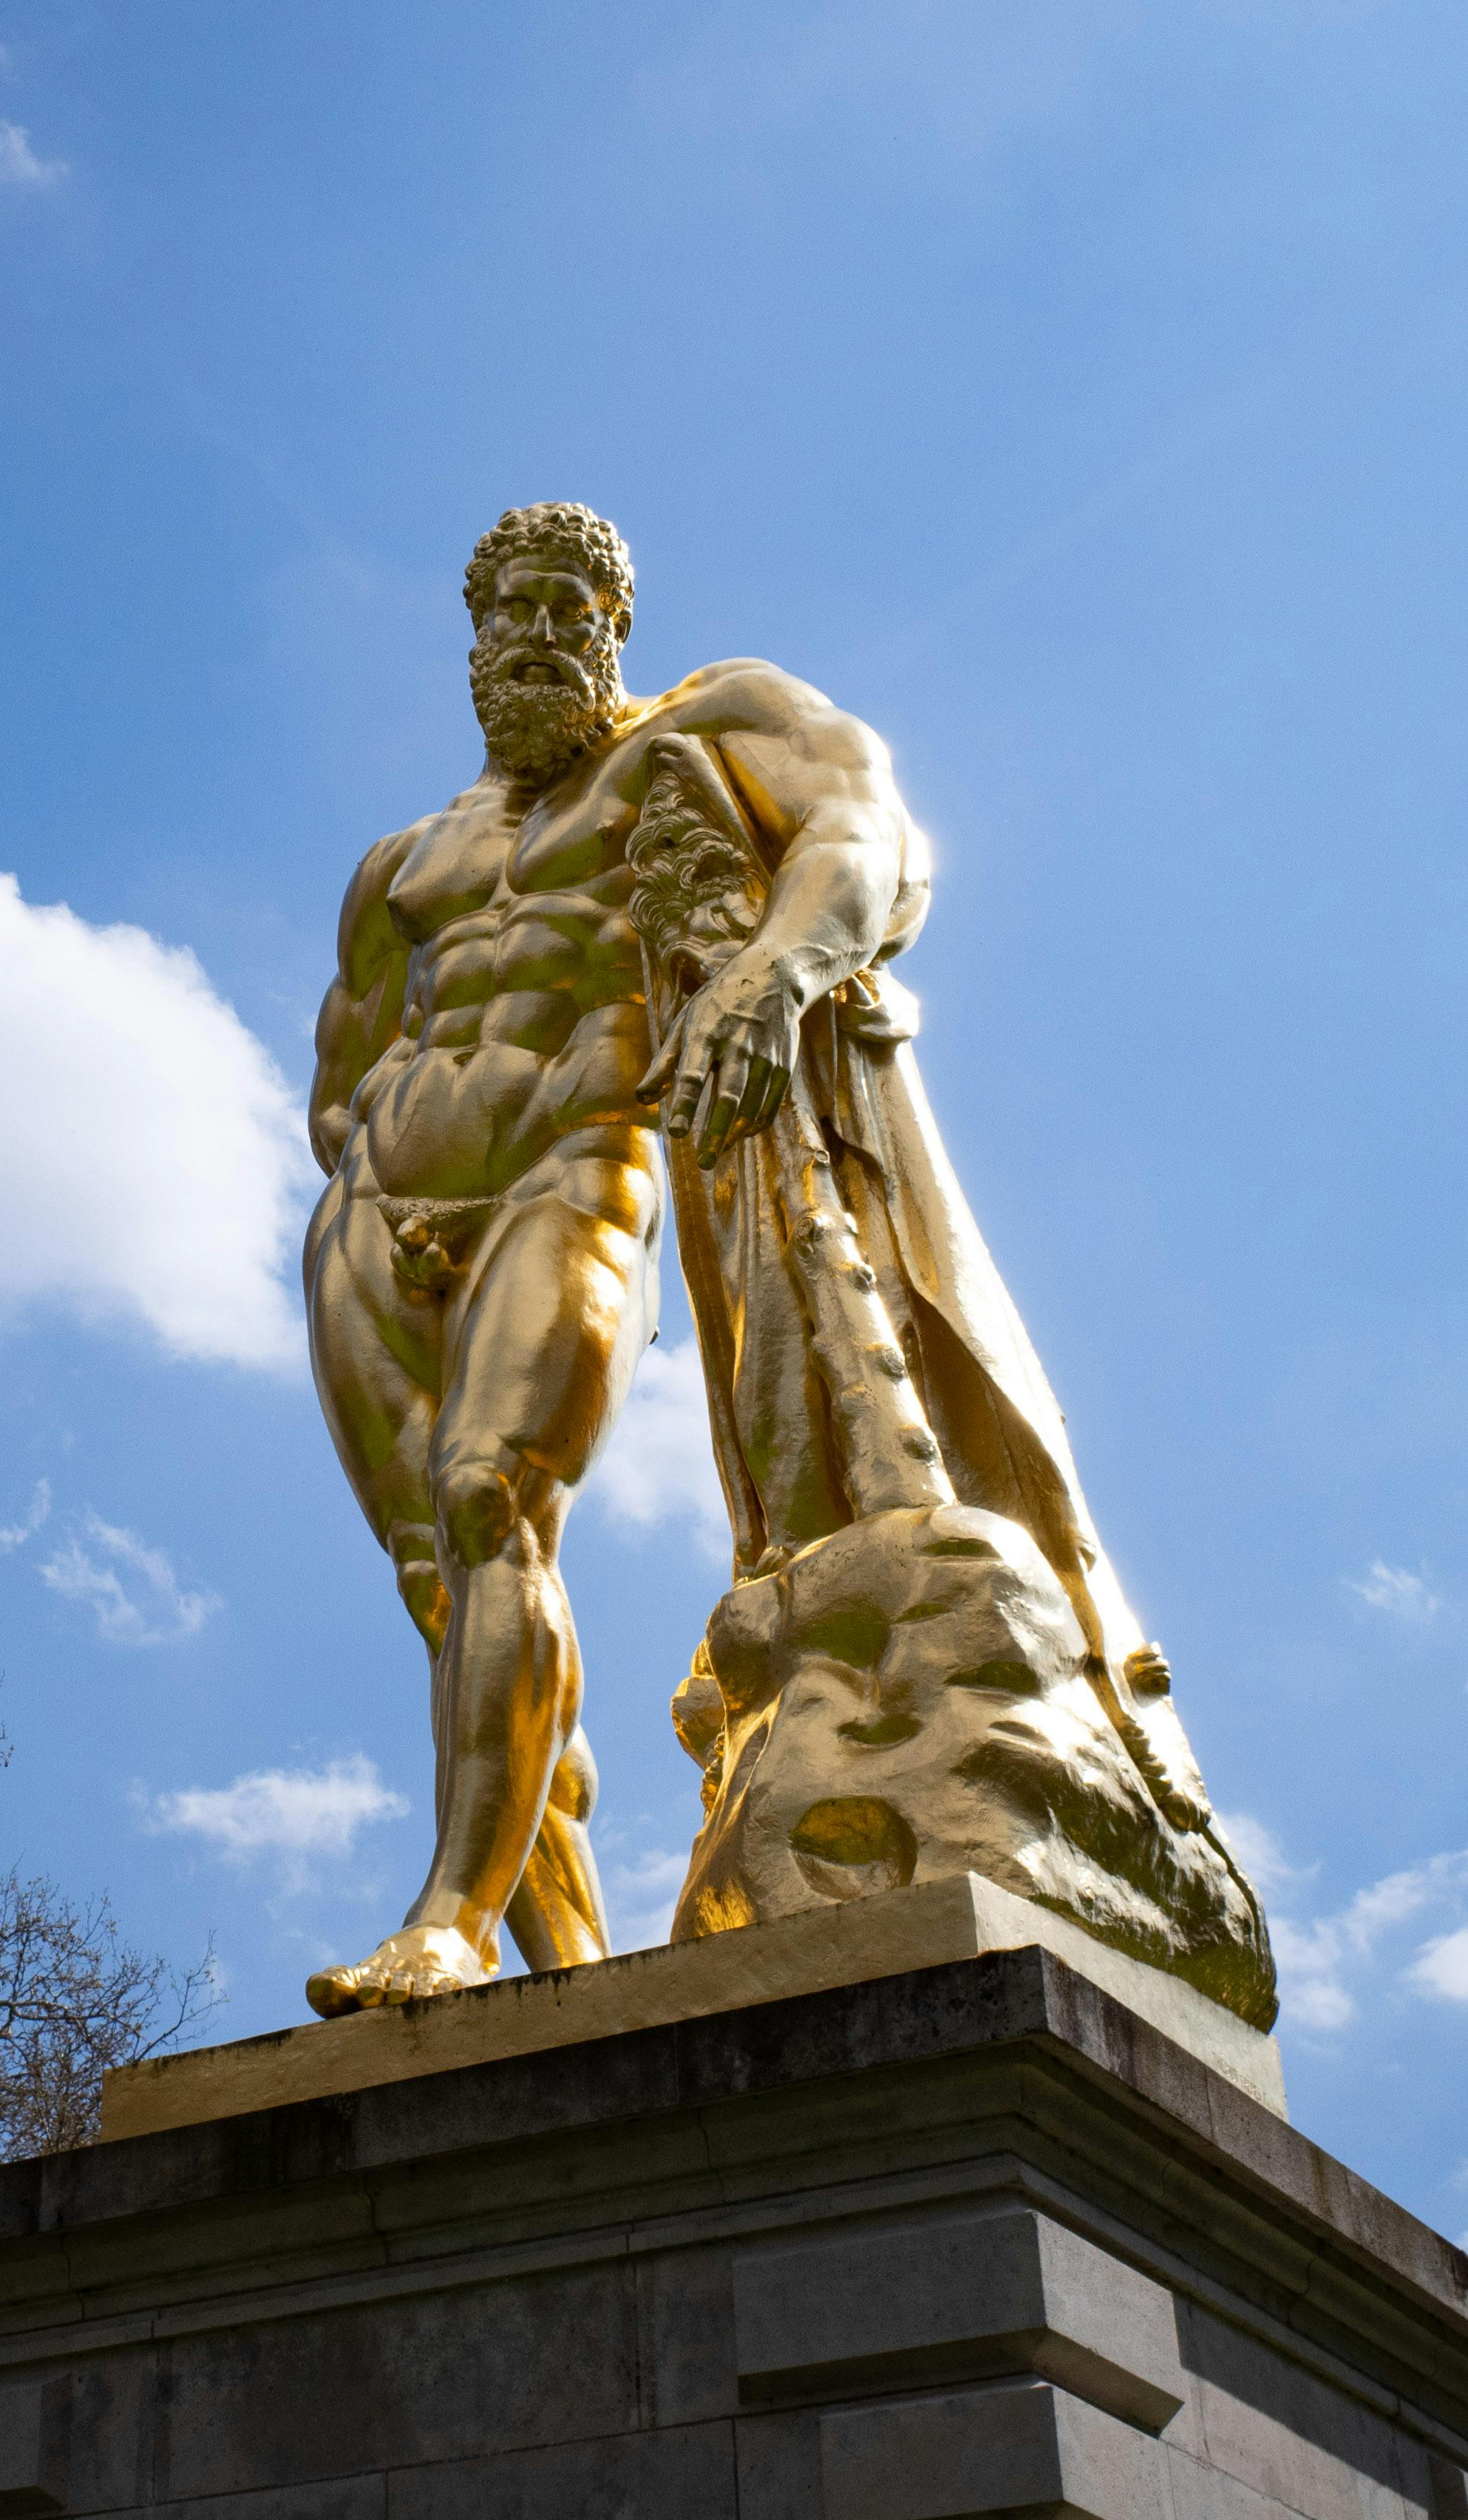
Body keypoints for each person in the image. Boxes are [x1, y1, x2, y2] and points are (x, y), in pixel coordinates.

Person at [302, 498, 1203, 2016]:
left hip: (569, 1174)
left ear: (612, 631)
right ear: (467, 644)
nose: (532, 636)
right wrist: (373, 1174)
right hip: (376, 1224)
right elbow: (342, 1063)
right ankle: (560, 1979)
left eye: (564, 611)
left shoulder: (704, 726)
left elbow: (864, 835)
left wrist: (777, 969)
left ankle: (446, 1914)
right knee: (445, 1583)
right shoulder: (403, 861)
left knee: (488, 1496)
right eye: (504, 613)